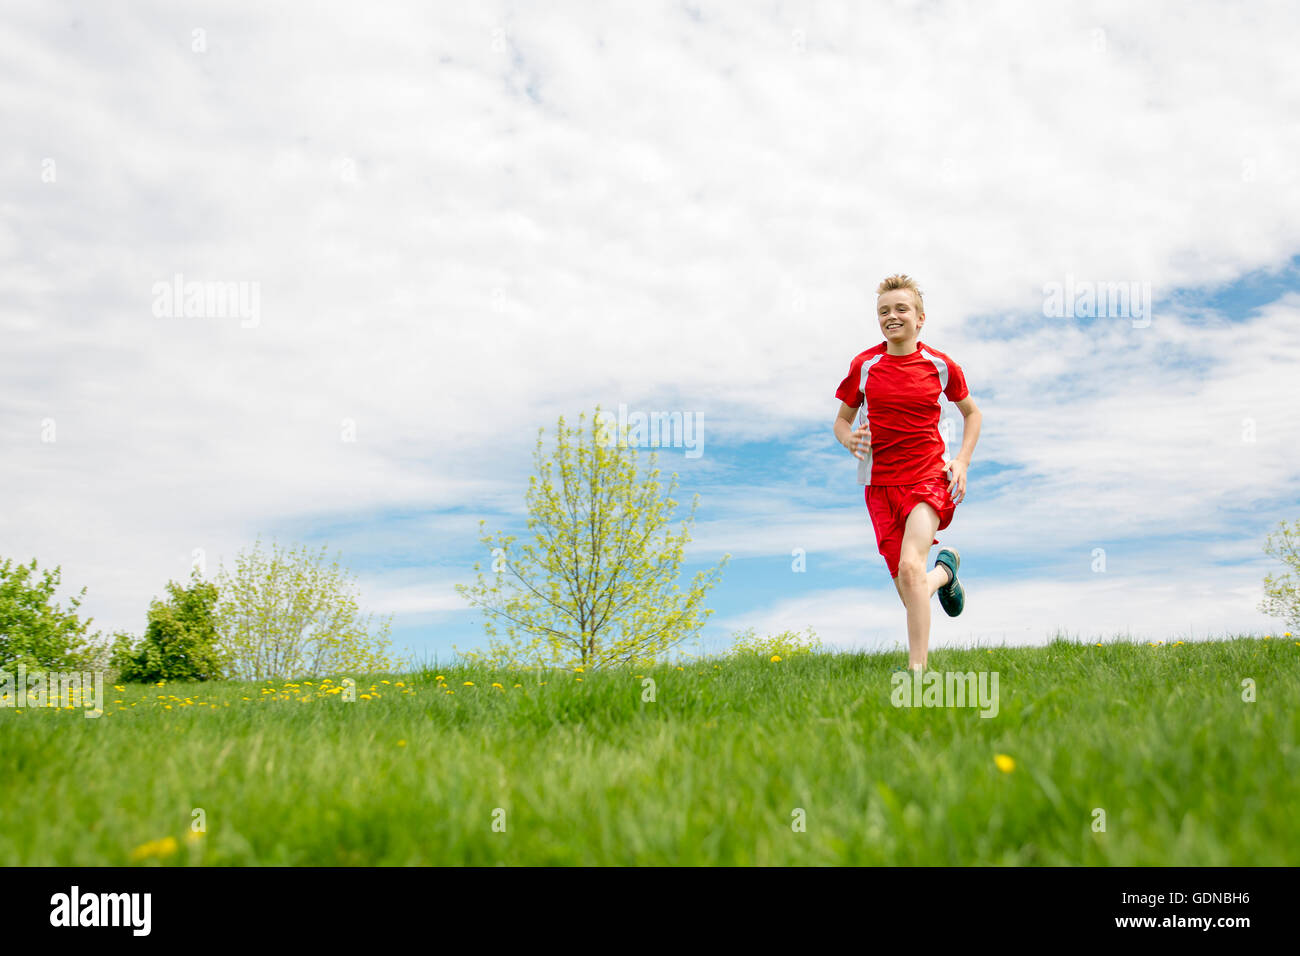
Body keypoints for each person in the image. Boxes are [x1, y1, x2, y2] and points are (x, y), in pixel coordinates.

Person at [832, 274, 983, 671]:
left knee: (910, 567)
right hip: (879, 485)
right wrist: (849, 439)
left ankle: (917, 670)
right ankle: (945, 575)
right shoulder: (864, 366)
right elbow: (841, 422)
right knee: (910, 587)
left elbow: (973, 414)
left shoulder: (939, 365)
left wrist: (962, 460)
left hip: (928, 478)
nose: (892, 316)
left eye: (901, 309)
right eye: (884, 311)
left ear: (920, 318)